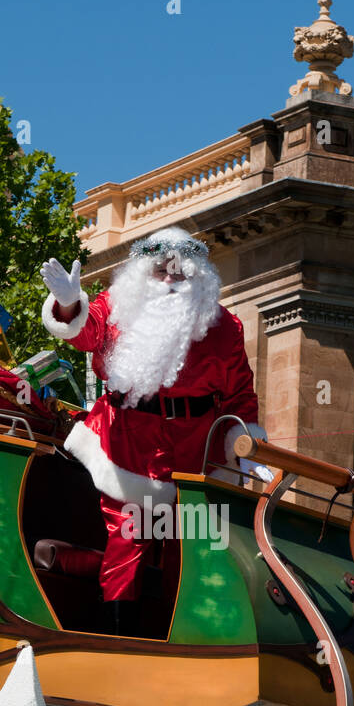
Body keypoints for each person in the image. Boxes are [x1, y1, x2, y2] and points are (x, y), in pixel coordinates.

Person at [40, 228, 267, 626]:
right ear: (144, 273)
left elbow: (239, 394)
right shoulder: (117, 306)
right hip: (127, 440)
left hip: (197, 449)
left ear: (197, 279)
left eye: (179, 273)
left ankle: (189, 634)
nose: (169, 279)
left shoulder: (225, 326)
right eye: (161, 270)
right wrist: (69, 302)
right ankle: (117, 635)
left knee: (195, 544)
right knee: (128, 537)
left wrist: (245, 444)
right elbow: (86, 331)